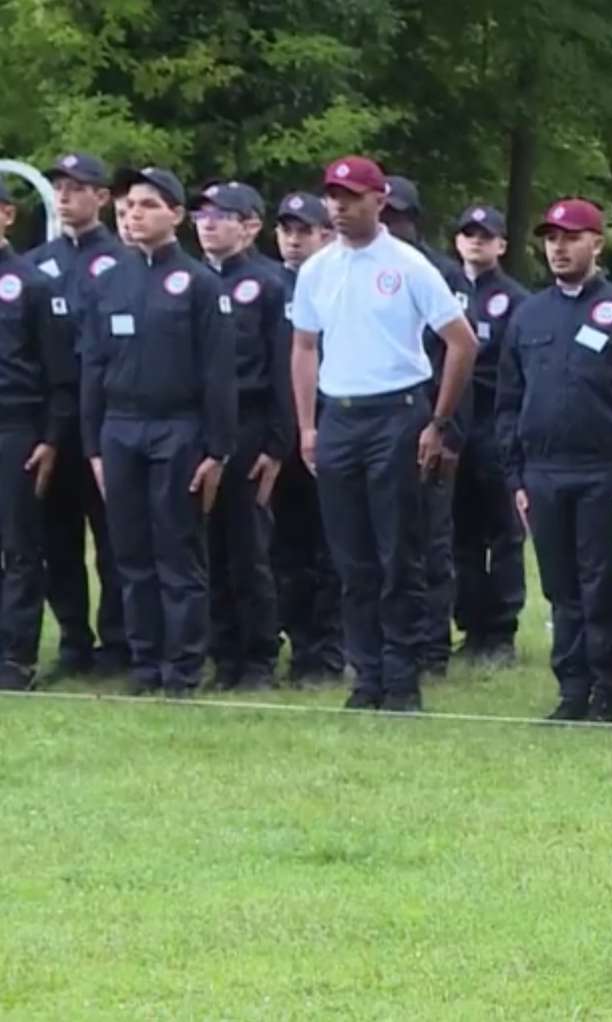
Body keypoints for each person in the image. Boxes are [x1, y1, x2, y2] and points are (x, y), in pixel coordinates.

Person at [289, 155, 479, 713]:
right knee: (351, 556)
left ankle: (401, 676)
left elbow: (462, 342)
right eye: (333, 198)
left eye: (351, 198)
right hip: (339, 415)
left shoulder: (408, 264)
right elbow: (303, 345)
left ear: (379, 201)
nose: (340, 208)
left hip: (397, 413)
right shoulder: (317, 269)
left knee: (399, 552)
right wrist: (307, 425)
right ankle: (364, 673)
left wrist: (438, 422)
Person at [497, 197, 612, 723]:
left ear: (597, 242)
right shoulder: (530, 314)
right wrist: (515, 473)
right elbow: (507, 399)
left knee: (601, 584)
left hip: (603, 472)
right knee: (560, 585)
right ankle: (571, 691)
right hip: (543, 473)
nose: (559, 247)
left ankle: (605, 694)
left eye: (571, 237)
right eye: (551, 238)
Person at [80, 167, 236, 698]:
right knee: (130, 553)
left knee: (177, 551)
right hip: (120, 430)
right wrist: (92, 446)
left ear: (175, 214)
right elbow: (93, 369)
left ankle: (183, 668)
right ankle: (144, 663)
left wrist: (217, 450)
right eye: (126, 208)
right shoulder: (110, 280)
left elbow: (219, 375)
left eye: (146, 205)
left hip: (179, 428)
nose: (133, 216)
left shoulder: (199, 283)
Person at [26, 151, 127, 680]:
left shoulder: (120, 261)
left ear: (102, 197)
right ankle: (72, 639)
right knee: (54, 540)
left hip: (106, 417)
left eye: (77, 187)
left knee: (112, 539)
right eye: (59, 187)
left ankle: (117, 641)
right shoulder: (37, 262)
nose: (65, 196)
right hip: (50, 420)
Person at [194, 181, 293, 690]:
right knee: (206, 545)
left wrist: (278, 444)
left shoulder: (270, 284)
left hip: (252, 423)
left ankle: (258, 657)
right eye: (203, 214)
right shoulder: (191, 282)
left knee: (249, 546)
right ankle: (222, 650)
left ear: (251, 225)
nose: (208, 223)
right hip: (201, 426)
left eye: (222, 215)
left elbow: (283, 369)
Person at [383, 175, 467, 676]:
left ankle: (432, 645)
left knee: (431, 543)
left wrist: (449, 429)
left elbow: (459, 360)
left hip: (429, 420)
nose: (389, 225)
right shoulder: (362, 267)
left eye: (396, 216)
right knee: (383, 544)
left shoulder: (438, 273)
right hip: (377, 425)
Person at [0, 180, 73, 691]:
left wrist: (50, 438)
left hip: (15, 427)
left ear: (6, 216)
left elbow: (59, 376)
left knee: (19, 547)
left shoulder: (32, 284)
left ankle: (15, 656)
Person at [269, 191, 345, 682]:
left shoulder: (340, 282)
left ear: (327, 235)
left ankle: (329, 650)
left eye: (305, 231)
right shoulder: (265, 286)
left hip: (332, 428)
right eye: (287, 230)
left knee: (331, 548)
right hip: (281, 435)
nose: (294, 240)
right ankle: (298, 644)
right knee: (285, 548)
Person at [450, 204, 530, 664]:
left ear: (501, 244)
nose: (476, 241)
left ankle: (500, 631)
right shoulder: (443, 290)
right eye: (468, 234)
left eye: (486, 235)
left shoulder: (516, 300)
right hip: (455, 423)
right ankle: (470, 626)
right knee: (460, 534)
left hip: (496, 426)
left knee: (503, 533)